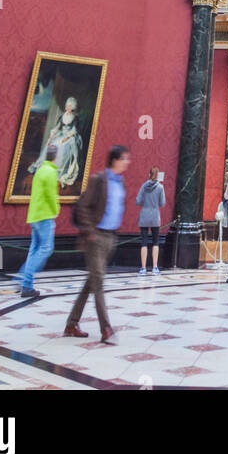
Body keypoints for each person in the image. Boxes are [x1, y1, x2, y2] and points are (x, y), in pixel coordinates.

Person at [64, 144, 130, 343]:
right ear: (115, 160)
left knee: (91, 281)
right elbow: (83, 207)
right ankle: (106, 329)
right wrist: (90, 232)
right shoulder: (98, 180)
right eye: (125, 158)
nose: (128, 162)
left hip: (111, 237)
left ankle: (71, 323)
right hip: (96, 237)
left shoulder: (121, 183)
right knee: (98, 280)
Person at [16, 143, 59, 298]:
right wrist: (56, 211)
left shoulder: (40, 170)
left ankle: (26, 282)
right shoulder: (50, 172)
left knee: (34, 250)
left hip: (34, 215)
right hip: (44, 215)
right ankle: (24, 279)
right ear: (56, 157)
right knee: (46, 248)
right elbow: (50, 195)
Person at [136, 166, 166, 275]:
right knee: (155, 241)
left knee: (144, 241)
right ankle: (154, 268)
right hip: (154, 216)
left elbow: (138, 201)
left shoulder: (144, 186)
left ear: (149, 174)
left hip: (144, 215)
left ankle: (143, 268)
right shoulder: (160, 188)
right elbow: (162, 203)